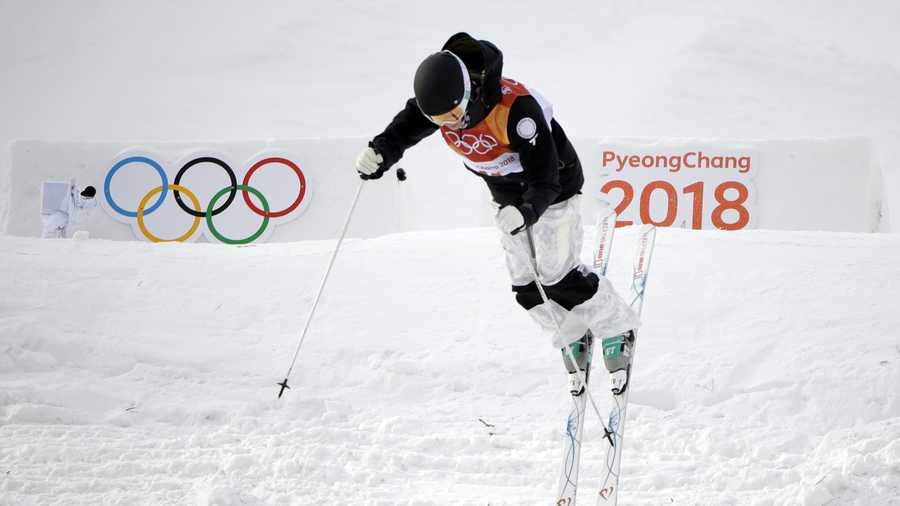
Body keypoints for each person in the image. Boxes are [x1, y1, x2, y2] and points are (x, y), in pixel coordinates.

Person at [354, 33, 640, 395]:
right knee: (525, 286)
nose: (453, 124)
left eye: (456, 115)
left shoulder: (516, 110)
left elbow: (545, 176)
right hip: (506, 196)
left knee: (555, 274)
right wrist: (379, 153)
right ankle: (572, 335)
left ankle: (617, 326)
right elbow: (403, 130)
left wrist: (526, 211)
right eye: (442, 120)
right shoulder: (440, 106)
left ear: (470, 93)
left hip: (552, 190)